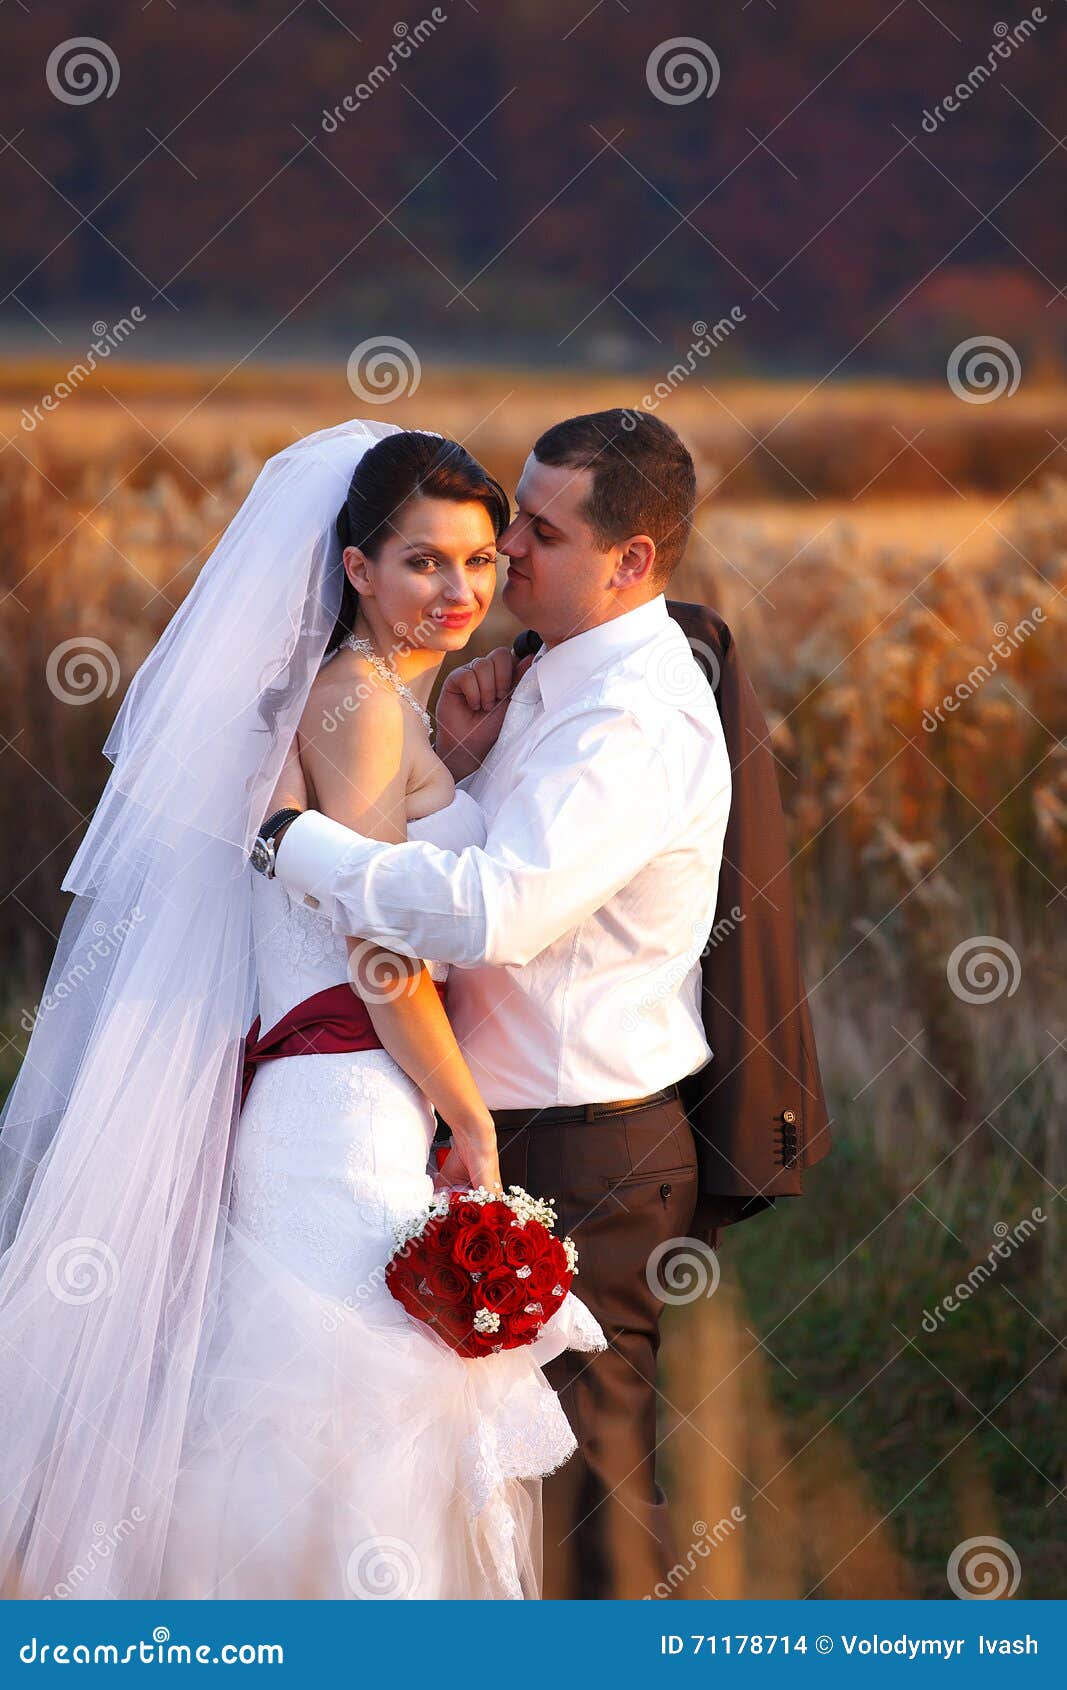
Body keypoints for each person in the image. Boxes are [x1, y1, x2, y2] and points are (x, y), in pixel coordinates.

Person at [0, 420, 604, 1601]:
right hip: (344, 1112)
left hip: (332, 1103)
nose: (460, 588)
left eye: (481, 561)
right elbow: (381, 961)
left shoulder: (362, 700)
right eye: (423, 560)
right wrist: (470, 1120)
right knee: (351, 1427)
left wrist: (455, 763)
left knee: (334, 1424)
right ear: (355, 570)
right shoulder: (360, 705)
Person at [264, 409, 733, 1600]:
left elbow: (492, 911)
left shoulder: (628, 715)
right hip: (464, 1113)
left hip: (581, 1140)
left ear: (629, 559)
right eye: (496, 524)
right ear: (361, 569)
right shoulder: (538, 677)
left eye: (534, 529)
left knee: (584, 1495)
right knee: (495, 1489)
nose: (504, 552)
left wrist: (292, 843)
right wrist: (456, 765)